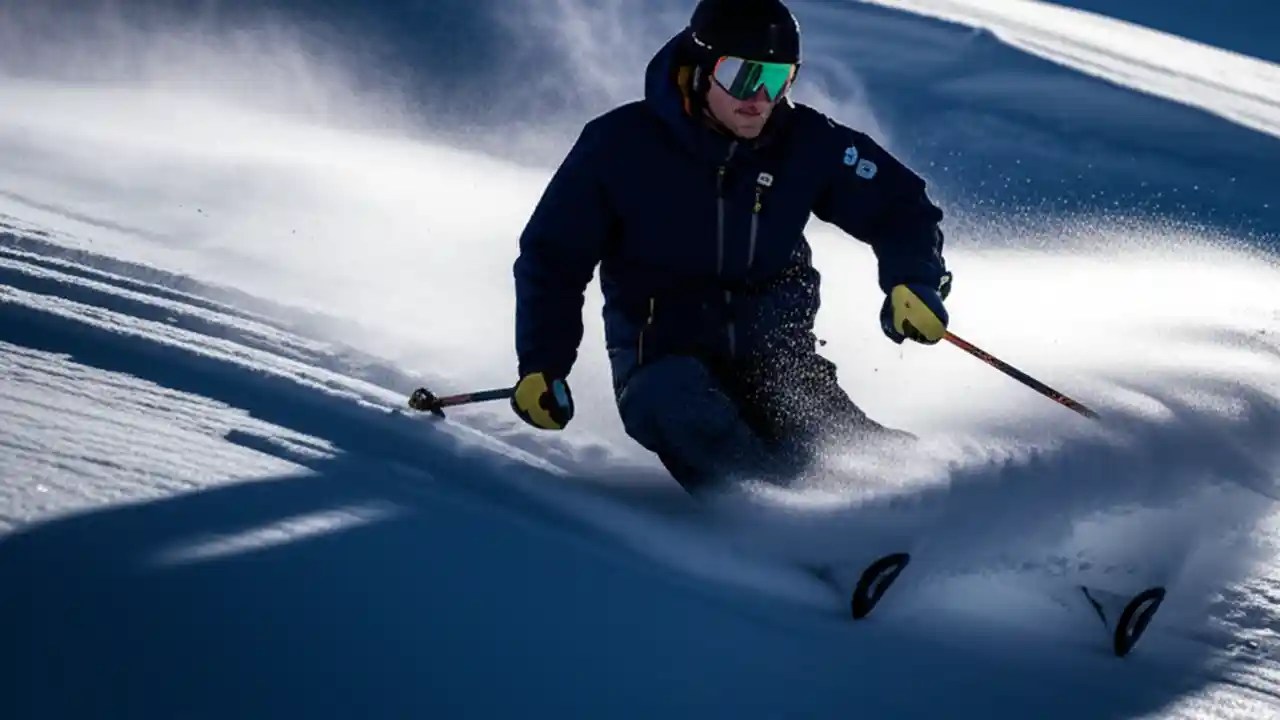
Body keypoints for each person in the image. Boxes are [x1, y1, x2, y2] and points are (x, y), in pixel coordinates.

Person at [510, 0, 952, 496]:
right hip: (664, 364)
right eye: (742, 77)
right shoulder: (619, 146)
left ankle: (936, 523)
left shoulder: (804, 144)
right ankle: (807, 530)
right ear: (699, 70)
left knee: (857, 453)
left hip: (779, 361)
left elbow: (901, 205)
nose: (759, 99)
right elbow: (553, 259)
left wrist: (912, 279)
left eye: (777, 79)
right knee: (690, 416)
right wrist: (543, 367)